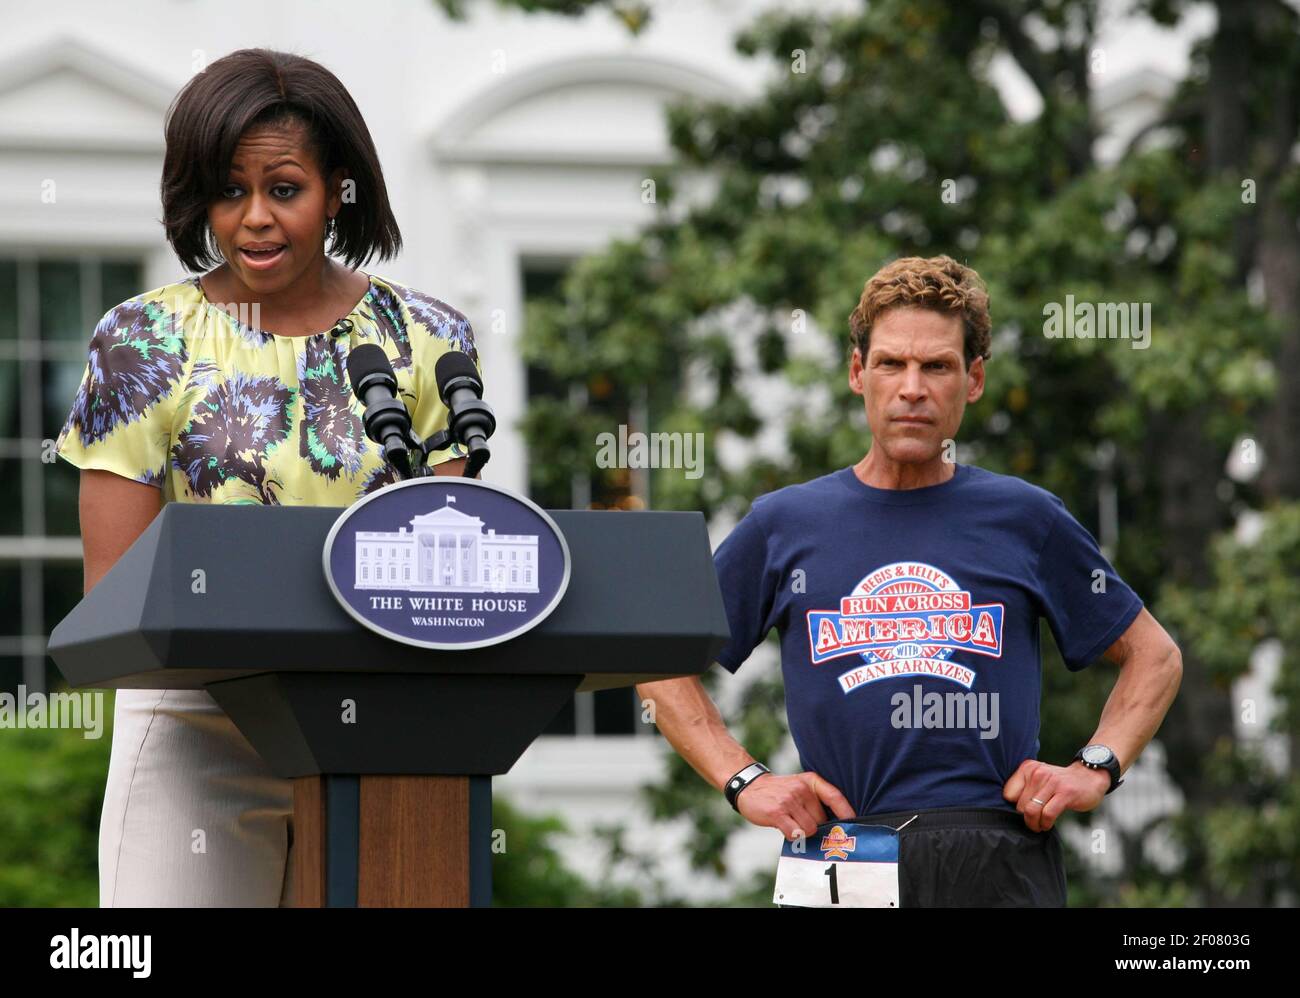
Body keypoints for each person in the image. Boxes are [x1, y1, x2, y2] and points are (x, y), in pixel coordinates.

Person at [53, 48, 480, 907]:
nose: (254, 219)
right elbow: (114, 593)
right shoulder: (144, 340)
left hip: (381, 729)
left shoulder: (426, 339)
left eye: (284, 189)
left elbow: (448, 573)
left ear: (338, 191)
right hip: (195, 729)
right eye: (228, 190)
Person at [637, 255, 1182, 907]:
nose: (913, 388)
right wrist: (745, 780)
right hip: (841, 849)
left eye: (938, 367)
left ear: (973, 380)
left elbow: (1155, 655)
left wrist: (1096, 767)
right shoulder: (786, 523)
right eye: (892, 363)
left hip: (997, 856)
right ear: (857, 372)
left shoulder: (1025, 518)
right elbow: (658, 661)